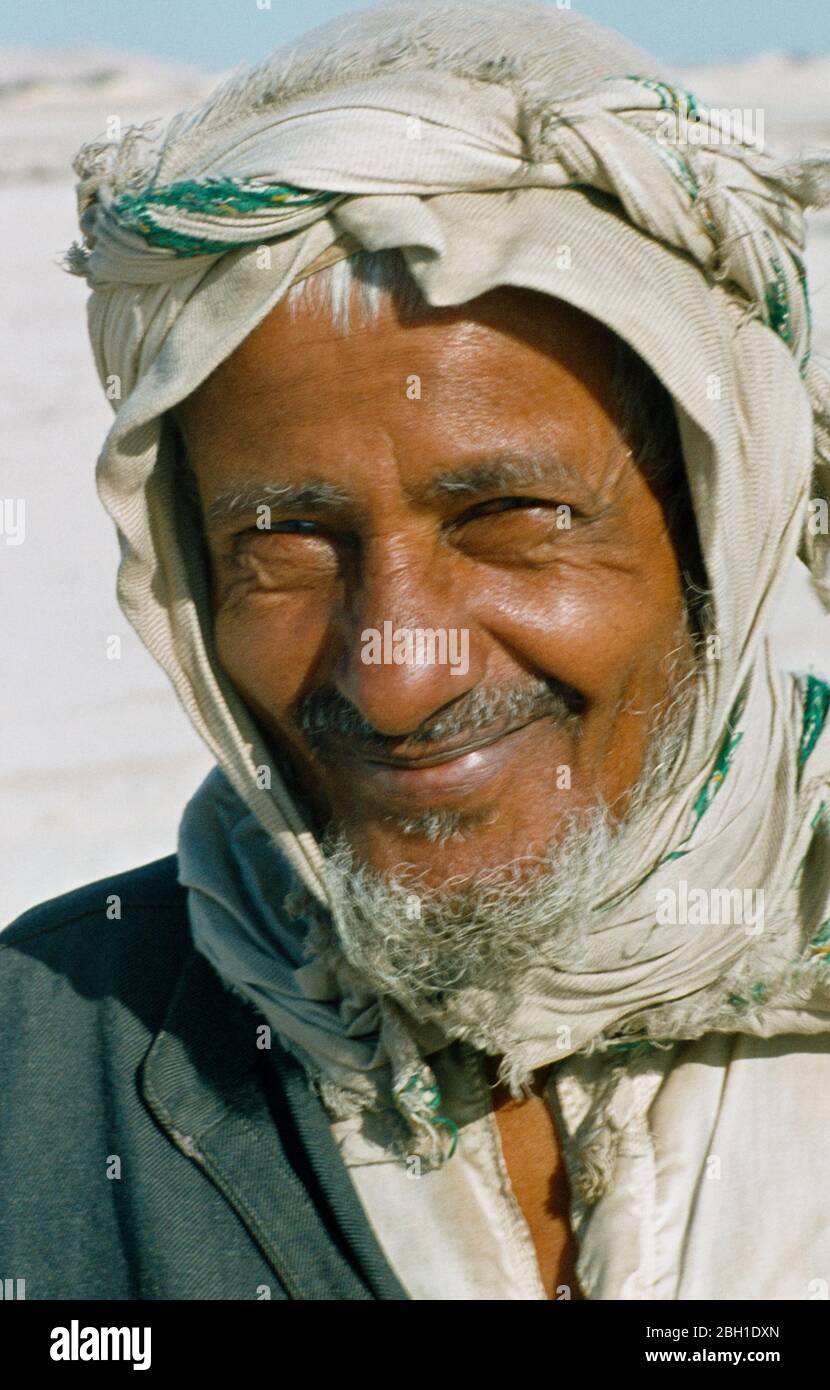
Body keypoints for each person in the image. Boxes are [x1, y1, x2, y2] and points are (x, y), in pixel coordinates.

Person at [3, 0, 830, 1301]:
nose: (396, 675)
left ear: (716, 527)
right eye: (283, 540)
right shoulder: (45, 1058)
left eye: (509, 516)